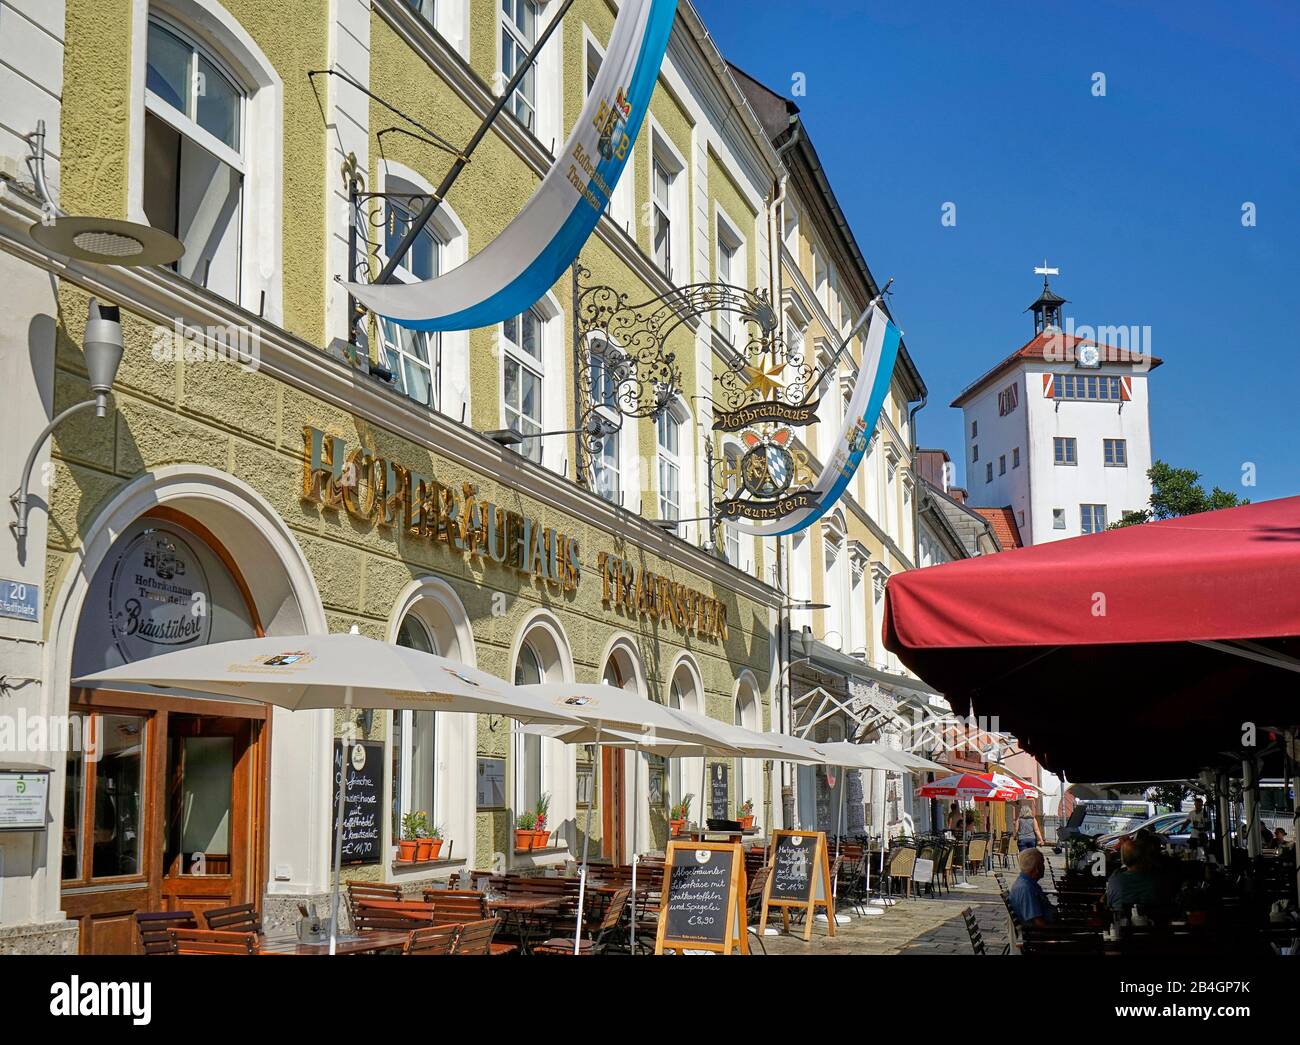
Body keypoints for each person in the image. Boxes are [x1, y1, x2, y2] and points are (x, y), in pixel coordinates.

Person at [1105, 838, 1163, 911]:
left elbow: (1109, 903)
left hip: (1120, 919)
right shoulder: (1158, 880)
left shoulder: (1115, 879)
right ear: (1145, 858)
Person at [1007, 847, 1055, 928]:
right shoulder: (1026, 888)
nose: (1043, 867)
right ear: (1036, 868)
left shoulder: (1026, 883)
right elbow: (1039, 923)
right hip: (1042, 934)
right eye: (1042, 864)